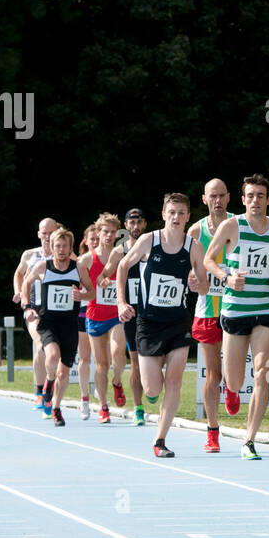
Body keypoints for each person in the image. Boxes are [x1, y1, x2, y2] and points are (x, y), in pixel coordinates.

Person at [202, 175, 269, 461]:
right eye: (250, 196)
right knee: (234, 380)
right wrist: (227, 277)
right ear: (242, 200)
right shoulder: (232, 226)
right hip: (234, 311)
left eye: (260, 195)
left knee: (262, 373)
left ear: (268, 199)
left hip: (266, 310)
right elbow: (209, 259)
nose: (255, 200)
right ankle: (231, 392)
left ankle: (249, 439)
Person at [116, 194, 209, 457]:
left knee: (175, 380)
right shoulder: (149, 241)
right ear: (164, 214)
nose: (176, 217)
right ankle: (152, 397)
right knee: (152, 388)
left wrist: (197, 285)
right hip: (148, 323)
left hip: (179, 322)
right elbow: (123, 266)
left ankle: (160, 440)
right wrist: (121, 302)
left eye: (181, 213)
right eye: (172, 212)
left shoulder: (193, 247)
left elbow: (205, 285)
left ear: (188, 216)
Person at [21, 228, 84, 426]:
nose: (61, 249)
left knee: (64, 373)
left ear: (70, 247)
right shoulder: (42, 267)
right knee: (52, 356)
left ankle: (56, 408)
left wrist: (82, 295)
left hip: (69, 324)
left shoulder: (78, 268)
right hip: (48, 322)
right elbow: (26, 283)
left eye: (65, 246)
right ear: (52, 247)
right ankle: (48, 380)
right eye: (58, 246)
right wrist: (27, 306)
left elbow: (91, 292)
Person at [186, 179, 231, 452]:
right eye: (212, 196)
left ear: (228, 197)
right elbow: (184, 266)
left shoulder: (238, 225)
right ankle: (212, 430)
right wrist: (191, 277)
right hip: (207, 311)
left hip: (237, 307)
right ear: (204, 199)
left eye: (221, 196)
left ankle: (234, 388)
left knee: (230, 372)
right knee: (213, 374)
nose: (217, 200)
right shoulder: (195, 231)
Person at [78, 213, 127, 424]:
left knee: (117, 352)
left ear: (117, 234)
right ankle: (104, 406)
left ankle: (117, 382)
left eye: (112, 232)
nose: (108, 235)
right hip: (95, 315)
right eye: (104, 231)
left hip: (116, 315)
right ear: (97, 233)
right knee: (101, 365)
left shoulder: (121, 256)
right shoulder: (86, 260)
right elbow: (85, 290)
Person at [106, 208, 147, 423]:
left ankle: (151, 389)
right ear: (126, 226)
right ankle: (138, 407)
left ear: (145, 224)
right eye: (132, 223)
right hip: (130, 313)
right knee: (136, 361)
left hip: (152, 311)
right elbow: (106, 273)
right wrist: (104, 279)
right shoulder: (119, 251)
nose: (136, 227)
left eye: (139, 222)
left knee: (156, 360)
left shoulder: (152, 247)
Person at [12, 217, 57, 415]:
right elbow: (18, 274)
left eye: (51, 233)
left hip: (56, 310)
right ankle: (41, 392)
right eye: (44, 233)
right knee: (41, 346)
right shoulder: (30, 255)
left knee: (55, 352)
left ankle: (48, 386)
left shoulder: (64, 254)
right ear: (39, 234)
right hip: (33, 308)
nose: (47, 237)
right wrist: (20, 293)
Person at [74, 225, 97, 419]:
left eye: (99, 237)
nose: (96, 241)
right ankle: (84, 399)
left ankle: (102, 386)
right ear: (86, 241)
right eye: (92, 238)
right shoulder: (80, 263)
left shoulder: (111, 259)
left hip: (107, 313)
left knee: (107, 358)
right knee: (85, 358)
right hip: (85, 311)